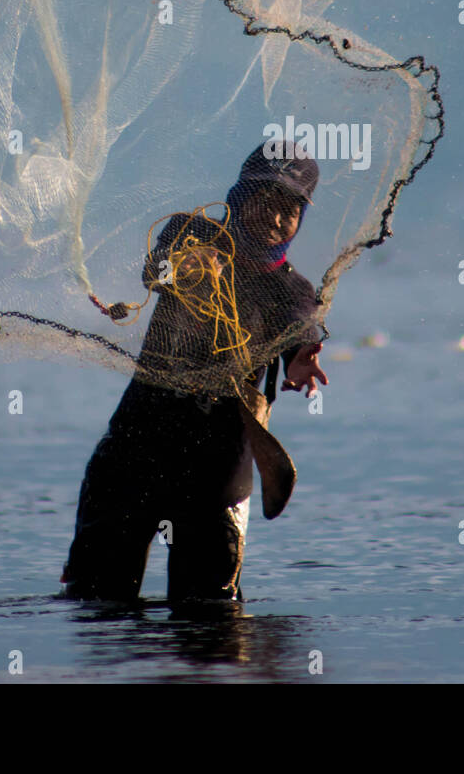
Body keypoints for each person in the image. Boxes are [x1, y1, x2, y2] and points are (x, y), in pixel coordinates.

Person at [61, 143, 329, 602]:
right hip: (135, 447)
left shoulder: (293, 290)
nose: (276, 217)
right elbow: (155, 271)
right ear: (240, 198)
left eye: (291, 208)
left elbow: (301, 334)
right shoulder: (188, 233)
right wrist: (182, 267)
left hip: (218, 472)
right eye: (266, 200)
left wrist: (303, 357)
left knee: (210, 610)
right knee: (96, 601)